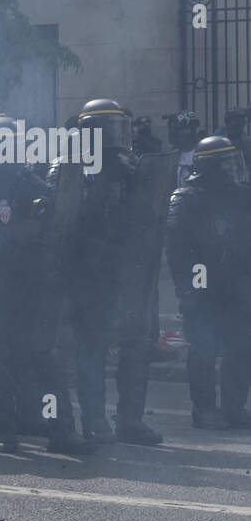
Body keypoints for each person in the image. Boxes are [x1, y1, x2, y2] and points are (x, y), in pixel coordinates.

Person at [0, 117, 94, 455]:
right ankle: (4, 430)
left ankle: (59, 428)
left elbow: (52, 216)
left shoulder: (26, 181)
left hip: (27, 288)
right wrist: (17, 234)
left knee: (45, 361)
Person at [50, 99, 165, 445]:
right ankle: (95, 420)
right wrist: (102, 182)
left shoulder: (130, 169)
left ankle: (130, 420)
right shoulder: (67, 168)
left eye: (120, 130)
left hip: (126, 273)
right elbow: (66, 223)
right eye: (107, 130)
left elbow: (148, 217)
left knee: (136, 345)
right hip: (87, 276)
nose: (116, 139)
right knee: (93, 349)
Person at [166, 136, 251, 429]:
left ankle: (234, 409)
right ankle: (204, 410)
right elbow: (176, 247)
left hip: (236, 287)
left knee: (240, 349)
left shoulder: (242, 195)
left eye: (232, 161)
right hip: (202, 286)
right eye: (225, 163)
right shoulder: (187, 197)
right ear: (211, 166)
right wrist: (187, 286)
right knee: (203, 348)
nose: (231, 168)